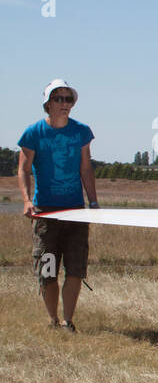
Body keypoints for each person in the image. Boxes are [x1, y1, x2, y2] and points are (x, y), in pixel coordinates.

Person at [18, 79, 99, 332]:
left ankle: (68, 321)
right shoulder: (33, 133)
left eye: (69, 99)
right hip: (46, 214)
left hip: (74, 212)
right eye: (59, 99)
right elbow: (23, 169)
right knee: (49, 270)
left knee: (75, 268)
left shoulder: (81, 132)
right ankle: (52, 320)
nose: (65, 104)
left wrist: (93, 202)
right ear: (48, 104)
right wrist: (27, 200)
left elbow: (86, 168)